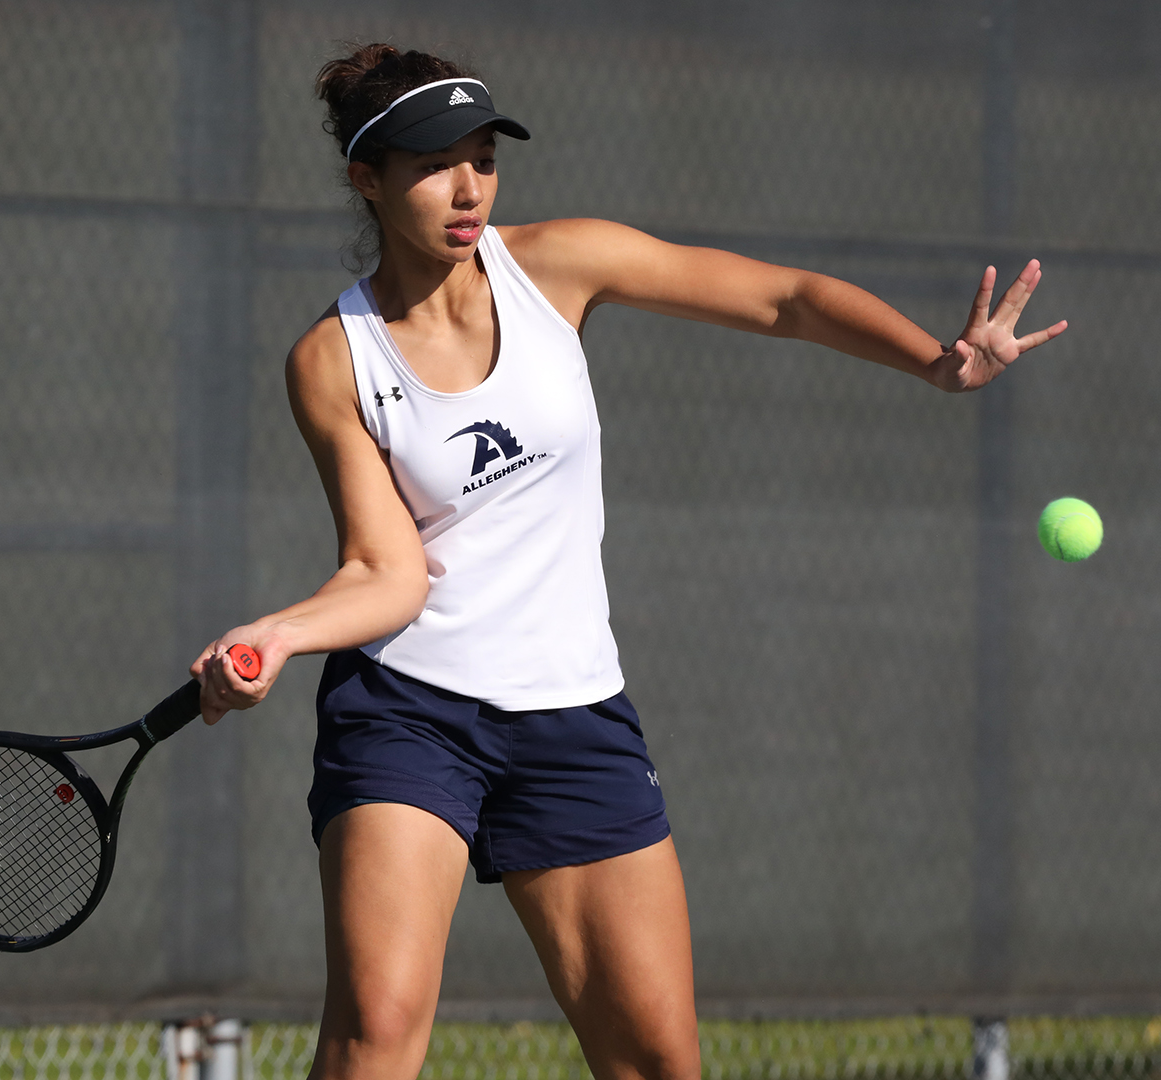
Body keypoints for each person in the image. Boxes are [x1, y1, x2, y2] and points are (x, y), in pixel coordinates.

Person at [188, 44, 1065, 1080]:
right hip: (407, 711)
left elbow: (780, 297)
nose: (467, 188)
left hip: (572, 715)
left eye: (482, 157)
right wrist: (279, 635)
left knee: (656, 1058)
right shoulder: (334, 360)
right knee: (376, 1036)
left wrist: (934, 360)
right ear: (366, 179)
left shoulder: (561, 262)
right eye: (433, 164)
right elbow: (391, 573)